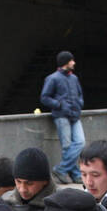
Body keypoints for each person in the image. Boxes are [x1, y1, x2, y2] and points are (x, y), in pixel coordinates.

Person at [40, 51, 85, 184]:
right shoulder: (53, 78)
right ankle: (76, 174)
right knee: (68, 146)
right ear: (66, 62)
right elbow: (44, 97)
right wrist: (59, 105)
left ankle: (61, 169)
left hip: (75, 115)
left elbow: (80, 94)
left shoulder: (74, 78)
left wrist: (79, 103)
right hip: (61, 115)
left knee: (80, 143)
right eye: (71, 60)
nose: (74, 63)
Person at [1, 147, 56, 211]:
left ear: (45, 182)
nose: (22, 189)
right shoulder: (5, 202)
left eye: (29, 183)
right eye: (18, 182)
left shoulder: (58, 207)